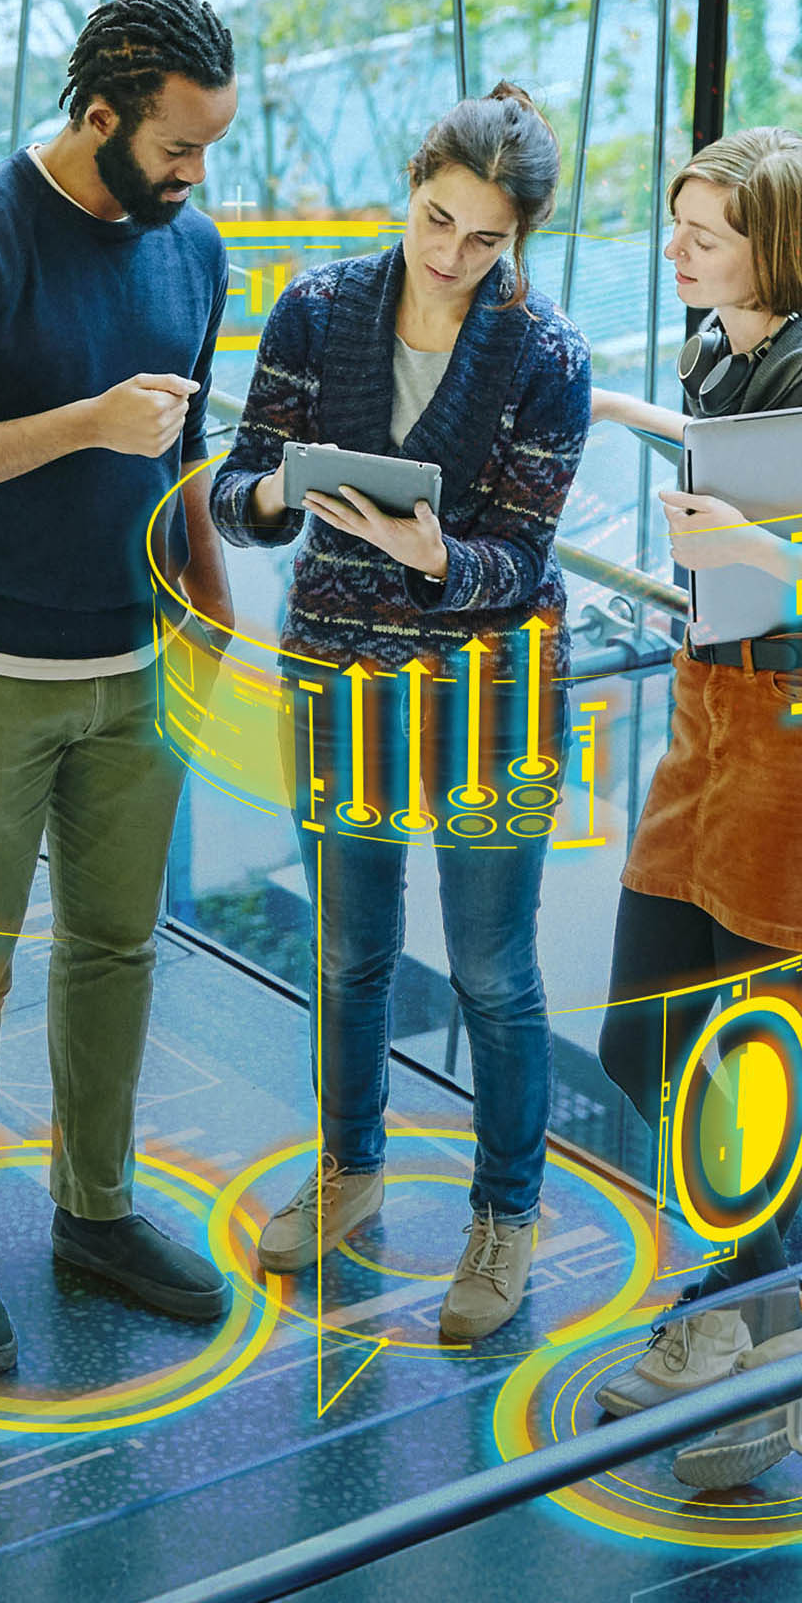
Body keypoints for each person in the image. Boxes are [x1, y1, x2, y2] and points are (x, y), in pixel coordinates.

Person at [0, 0, 242, 1376]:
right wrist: (85, 424)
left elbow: (184, 450)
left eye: (208, 151)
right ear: (98, 117)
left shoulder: (191, 251)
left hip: (138, 666)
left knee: (119, 950)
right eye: (179, 149)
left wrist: (212, 592)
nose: (196, 178)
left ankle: (97, 1211)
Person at [582, 128, 802, 1489]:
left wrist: (754, 553)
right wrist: (649, 424)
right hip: (716, 730)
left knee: (751, 1077)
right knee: (645, 1042)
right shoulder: (722, 345)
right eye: (678, 226)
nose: (675, 251)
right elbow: (755, 460)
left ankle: (742, 1336)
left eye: (705, 236)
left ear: (775, 251)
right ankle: (771, 1316)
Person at [211, 87, 592, 1342]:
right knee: (346, 950)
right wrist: (274, 493)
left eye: (486, 239)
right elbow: (232, 492)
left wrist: (438, 561)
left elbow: (527, 559)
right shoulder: (318, 312)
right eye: (438, 220)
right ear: (413, 184)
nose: (451, 255)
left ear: (518, 239)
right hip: (340, 679)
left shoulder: (551, 359)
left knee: (493, 970)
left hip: (491, 692)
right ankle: (350, 1169)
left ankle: (505, 1214)